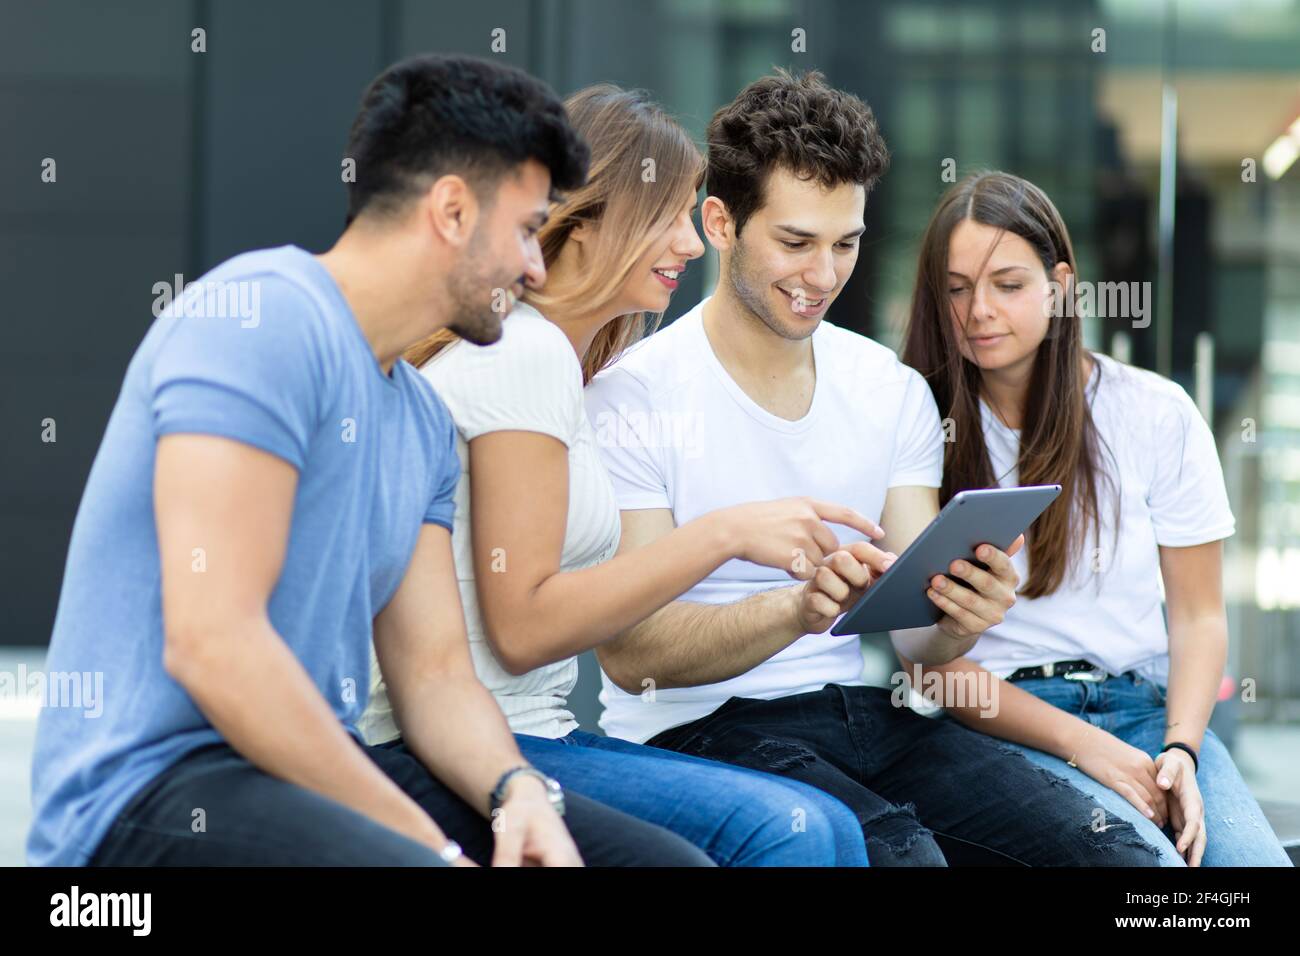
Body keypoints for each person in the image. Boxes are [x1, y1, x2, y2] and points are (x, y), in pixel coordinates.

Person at [28, 54, 713, 868]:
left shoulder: (419, 418)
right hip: (151, 798)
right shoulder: (259, 320)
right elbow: (216, 645)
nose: (537, 266)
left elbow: (435, 682)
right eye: (528, 230)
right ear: (453, 211)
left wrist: (518, 795)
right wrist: (425, 845)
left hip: (311, 783)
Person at [586, 69, 1162, 866]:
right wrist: (796, 610)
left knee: (1117, 860)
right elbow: (633, 651)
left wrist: (960, 615)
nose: (822, 275)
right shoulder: (631, 397)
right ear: (720, 223)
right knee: (906, 859)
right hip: (697, 728)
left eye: (846, 243)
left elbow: (921, 648)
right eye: (795, 242)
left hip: (867, 712)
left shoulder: (888, 391)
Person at [362, 84, 870, 867]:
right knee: (787, 832)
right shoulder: (523, 356)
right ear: (591, 220)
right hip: (476, 745)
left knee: (827, 826)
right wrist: (726, 534)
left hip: (537, 730)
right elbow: (526, 628)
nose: (693, 243)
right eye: (669, 215)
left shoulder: (564, 363)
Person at [896, 169, 1292, 867]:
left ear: (1061, 285)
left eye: (1008, 285)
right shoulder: (921, 424)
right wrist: (1090, 748)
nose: (978, 311)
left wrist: (1180, 752)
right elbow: (928, 664)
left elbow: (1199, 618)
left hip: (1146, 709)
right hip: (1004, 723)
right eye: (956, 289)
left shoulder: (1154, 412)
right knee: (1151, 871)